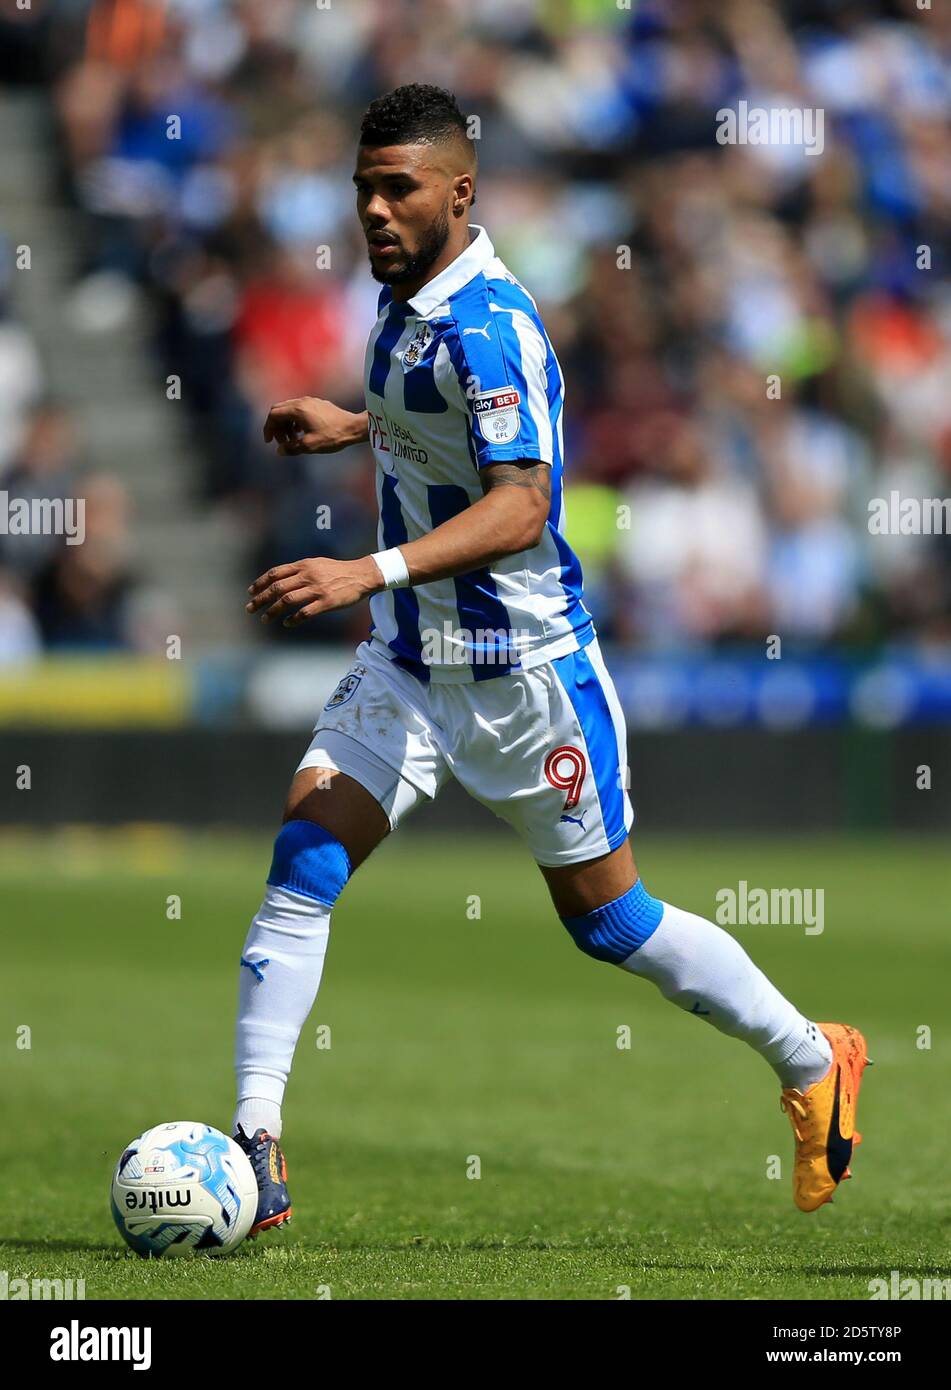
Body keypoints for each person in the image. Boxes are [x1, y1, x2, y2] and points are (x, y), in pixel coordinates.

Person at [230, 84, 869, 1234]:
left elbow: (524, 504)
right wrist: (355, 423)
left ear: (459, 192)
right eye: (364, 188)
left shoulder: (492, 322)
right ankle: (255, 1144)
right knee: (304, 862)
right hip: (407, 669)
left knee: (609, 923)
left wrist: (362, 571)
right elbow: (444, 426)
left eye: (398, 188)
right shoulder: (404, 299)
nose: (374, 209)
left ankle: (813, 1055)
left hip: (525, 679)